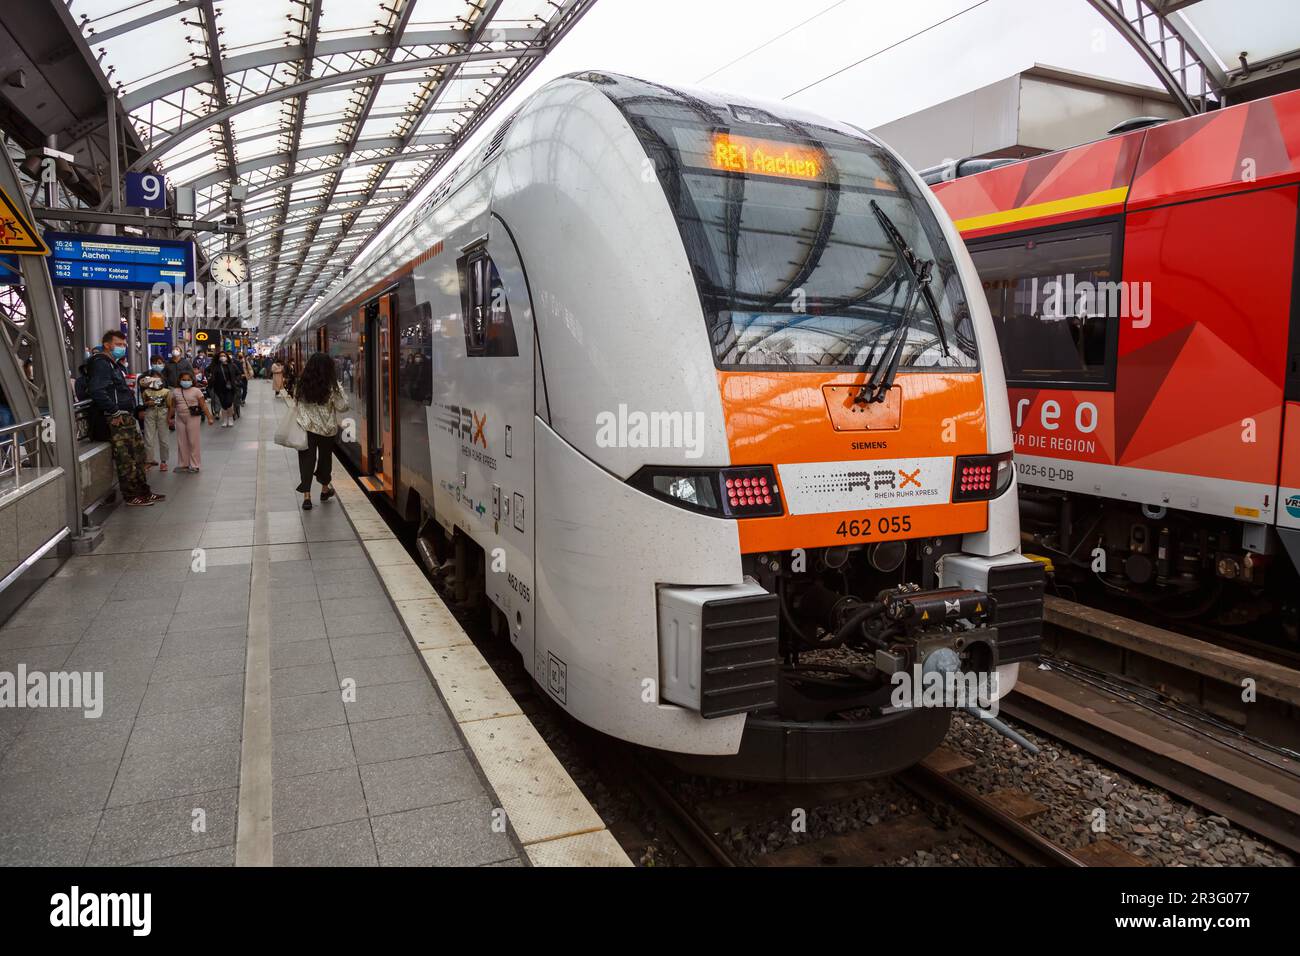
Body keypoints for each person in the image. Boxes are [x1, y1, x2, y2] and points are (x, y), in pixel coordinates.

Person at [88, 330, 164, 507]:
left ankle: (144, 491)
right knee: (126, 459)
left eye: (124, 345)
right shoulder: (101, 363)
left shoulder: (115, 365)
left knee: (138, 456)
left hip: (127, 416)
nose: (122, 348)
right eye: (119, 344)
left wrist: (136, 409)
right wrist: (113, 411)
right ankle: (131, 496)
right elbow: (97, 390)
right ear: (107, 345)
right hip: (117, 418)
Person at [292, 352, 349, 511]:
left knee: (306, 461)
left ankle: (307, 497)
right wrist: (339, 389)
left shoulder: (301, 384)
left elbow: (297, 405)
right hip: (327, 431)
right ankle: (324, 490)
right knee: (325, 459)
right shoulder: (332, 386)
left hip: (307, 429)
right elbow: (343, 406)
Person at [169, 369, 215, 472]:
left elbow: (203, 405)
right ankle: (183, 463)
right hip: (179, 417)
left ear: (192, 380)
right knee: (181, 441)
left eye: (188, 379)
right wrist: (169, 418)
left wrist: (209, 417)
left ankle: (195, 465)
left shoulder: (196, 391)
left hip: (193, 417)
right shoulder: (175, 391)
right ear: (179, 380)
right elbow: (172, 406)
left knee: (193, 441)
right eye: (183, 379)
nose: (186, 381)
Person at [137, 362, 172, 471]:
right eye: (153, 379)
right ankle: (149, 460)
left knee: (164, 439)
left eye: (158, 379)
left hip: (163, 413)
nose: (156, 381)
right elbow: (144, 402)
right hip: (150, 414)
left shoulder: (167, 392)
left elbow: (170, 406)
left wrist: (170, 418)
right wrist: (147, 405)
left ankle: (164, 461)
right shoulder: (146, 392)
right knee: (148, 438)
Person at [209, 351, 239, 427]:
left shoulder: (232, 365)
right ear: (218, 358)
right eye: (221, 356)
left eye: (224, 355)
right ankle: (225, 420)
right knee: (223, 404)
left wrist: (235, 381)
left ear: (227, 357)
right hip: (219, 388)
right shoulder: (216, 366)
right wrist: (210, 378)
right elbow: (207, 371)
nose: (222, 357)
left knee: (229, 403)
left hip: (230, 388)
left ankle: (230, 418)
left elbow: (238, 373)